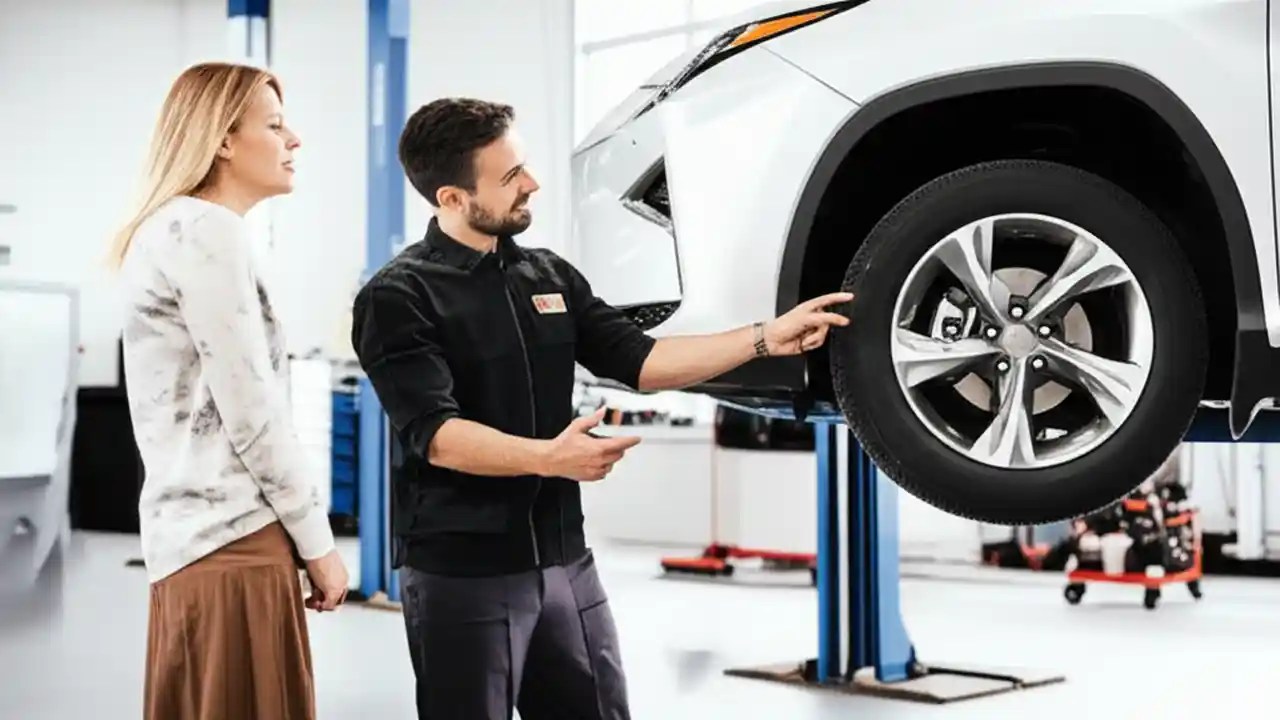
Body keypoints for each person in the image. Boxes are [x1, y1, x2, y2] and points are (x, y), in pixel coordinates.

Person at [350, 97, 852, 720]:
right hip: (463, 573)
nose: (532, 183)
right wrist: (550, 458)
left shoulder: (547, 275)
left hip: (566, 560)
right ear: (452, 198)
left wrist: (764, 338)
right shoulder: (398, 297)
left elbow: (641, 360)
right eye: (511, 176)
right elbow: (437, 435)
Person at [110, 62, 350, 720]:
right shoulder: (207, 230)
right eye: (275, 125)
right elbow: (253, 412)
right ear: (222, 140)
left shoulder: (169, 229)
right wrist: (319, 544)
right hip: (234, 542)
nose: (294, 139)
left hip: (193, 542)